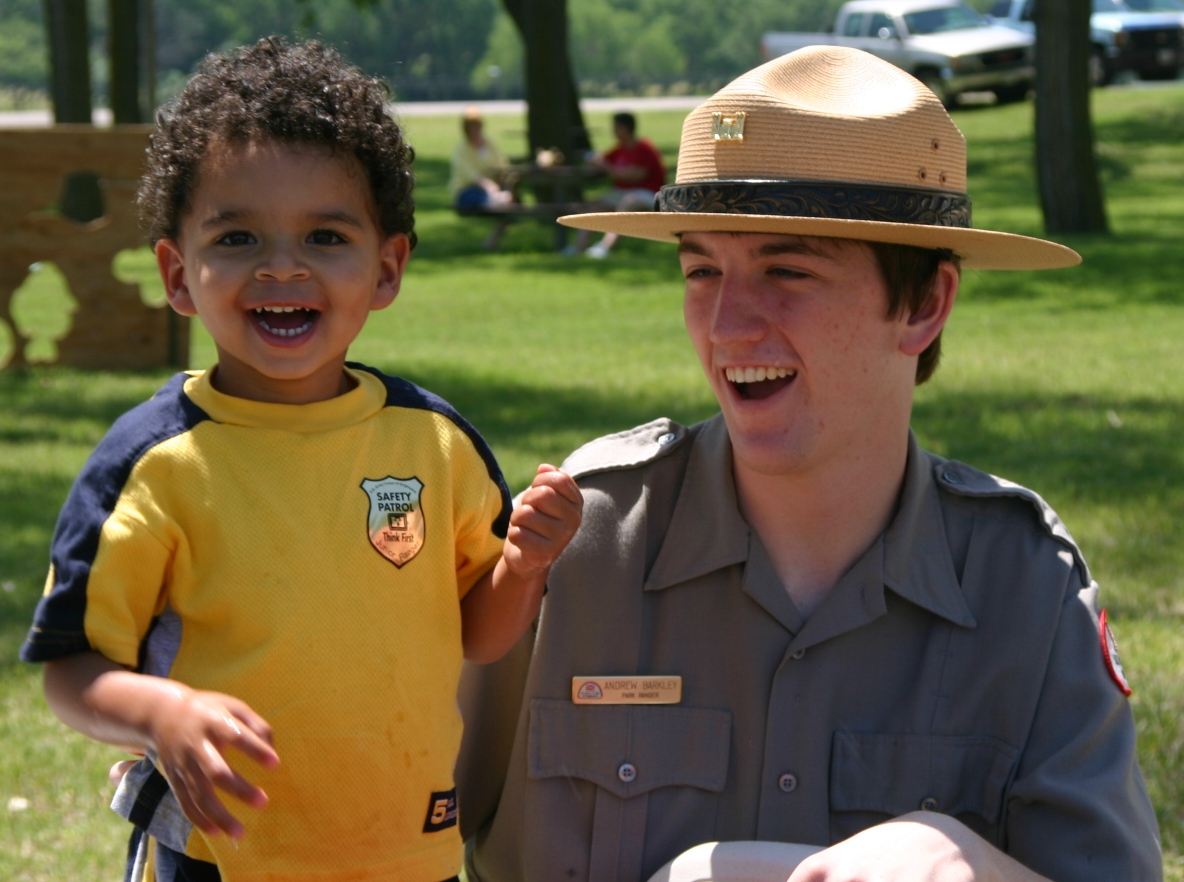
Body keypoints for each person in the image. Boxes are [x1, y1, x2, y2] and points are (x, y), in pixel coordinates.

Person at [454, 46, 1163, 882]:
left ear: (925, 305)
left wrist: (969, 865)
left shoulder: (1023, 587)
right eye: (701, 270)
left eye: (787, 270)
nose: (727, 326)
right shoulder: (582, 544)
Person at [20, 37, 582, 882]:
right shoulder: (154, 463)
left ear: (386, 268)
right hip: (222, 856)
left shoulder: (433, 443)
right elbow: (70, 671)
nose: (282, 266)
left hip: (408, 851)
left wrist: (526, 562)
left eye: (325, 235)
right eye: (238, 236)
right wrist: (161, 712)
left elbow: (479, 635)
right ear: (179, 274)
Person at [564, 111, 666, 259]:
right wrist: (593, 162)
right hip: (622, 192)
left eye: (616, 127)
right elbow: (602, 163)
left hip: (649, 194)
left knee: (628, 203)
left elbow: (636, 176)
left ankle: (604, 248)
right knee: (594, 207)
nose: (613, 131)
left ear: (625, 129)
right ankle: (578, 248)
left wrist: (607, 167)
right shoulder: (620, 149)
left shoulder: (644, 149)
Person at [449, 106, 516, 251]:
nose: (474, 129)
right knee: (494, 200)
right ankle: (498, 200)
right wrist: (489, 186)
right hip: (466, 192)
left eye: (476, 125)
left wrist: (505, 179)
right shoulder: (462, 149)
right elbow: (470, 174)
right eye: (470, 126)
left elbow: (502, 165)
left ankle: (491, 241)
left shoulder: (490, 143)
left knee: (510, 204)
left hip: (494, 190)